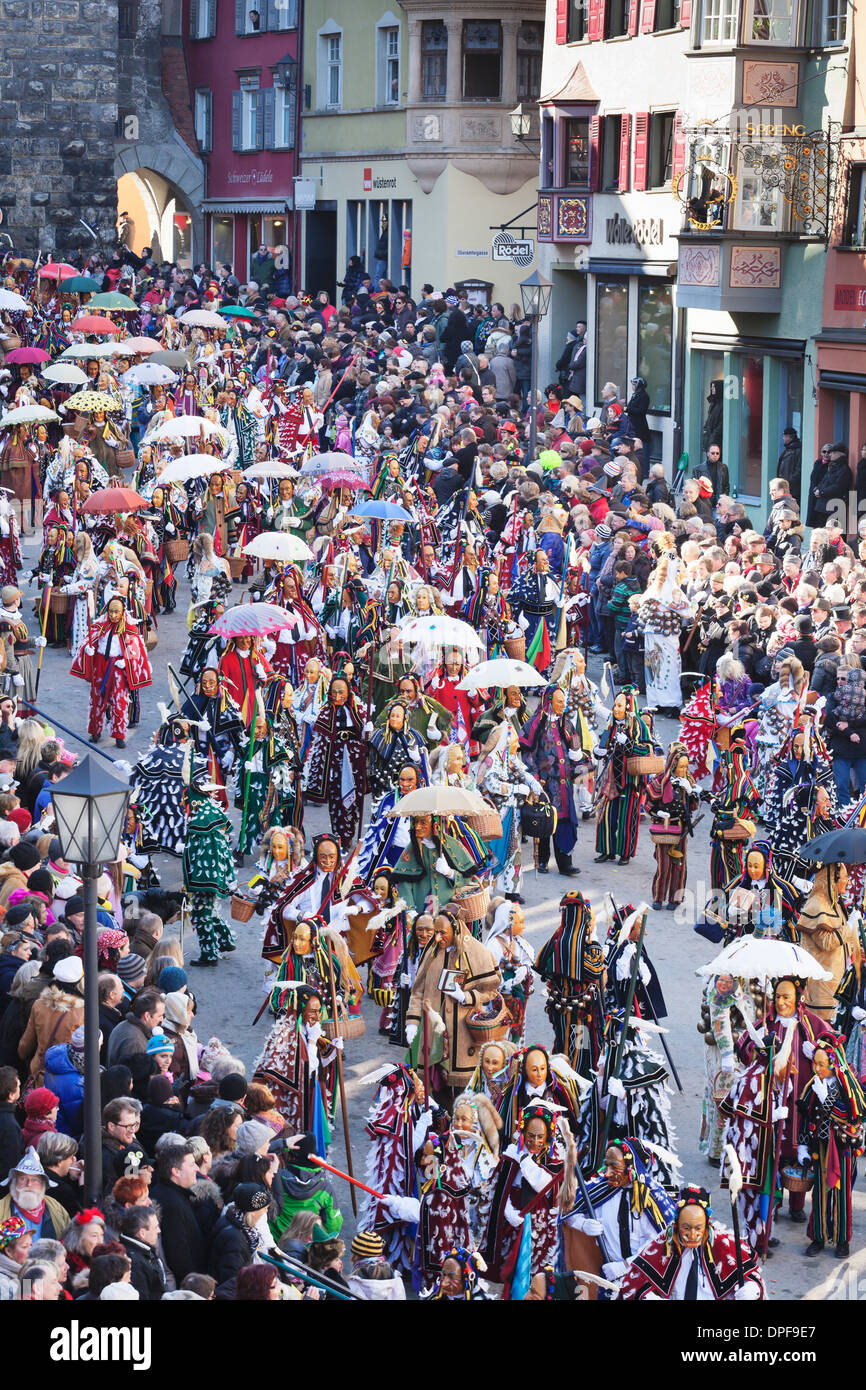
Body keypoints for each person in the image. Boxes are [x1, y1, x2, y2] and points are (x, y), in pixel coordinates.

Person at [617, 1183, 764, 1300]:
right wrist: (647, 1297)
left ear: (707, 1224)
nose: (692, 1235)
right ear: (676, 1223)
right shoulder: (663, 1243)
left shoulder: (724, 1243)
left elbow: (753, 1277)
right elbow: (632, 1285)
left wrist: (752, 1289)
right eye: (686, 1227)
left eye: (698, 1228)